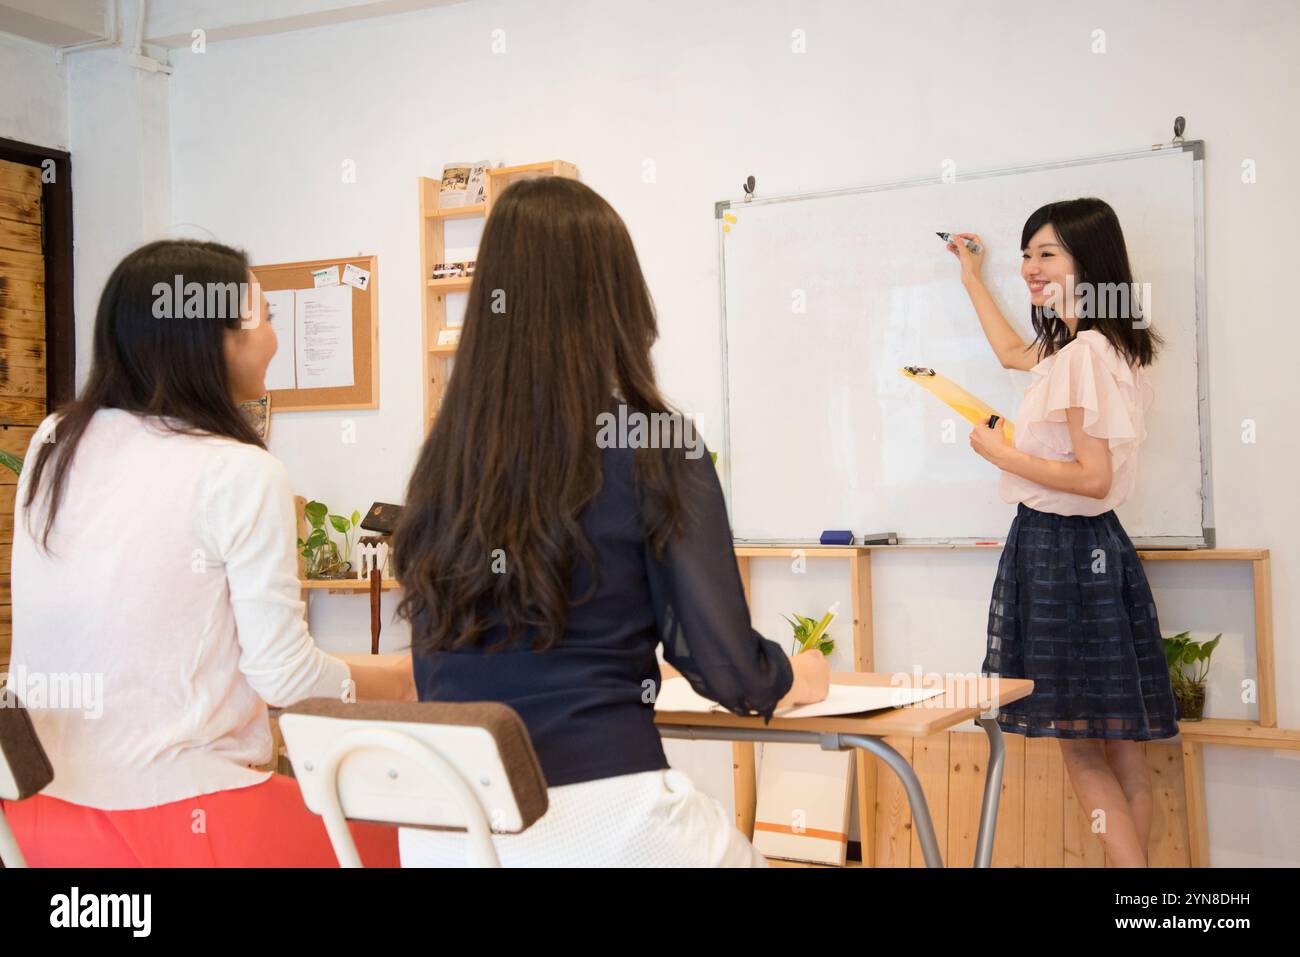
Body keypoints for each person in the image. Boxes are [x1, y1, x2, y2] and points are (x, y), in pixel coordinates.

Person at [393, 176, 830, 867]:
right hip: (603, 822)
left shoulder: (444, 464)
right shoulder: (656, 445)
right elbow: (726, 670)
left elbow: (432, 660)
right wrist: (800, 674)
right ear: (615, 298)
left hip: (446, 832)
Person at [3, 239, 398, 867]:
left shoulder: (55, 444)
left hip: (37, 825)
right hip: (184, 828)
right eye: (265, 317)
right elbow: (286, 679)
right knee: (428, 843)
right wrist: (398, 680)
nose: (274, 338)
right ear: (217, 341)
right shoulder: (239, 471)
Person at [948, 198, 1179, 867]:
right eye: (1026, 253)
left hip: (1060, 551)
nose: (1029, 268)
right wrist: (971, 275)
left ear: (1089, 259)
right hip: (1097, 548)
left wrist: (1001, 453)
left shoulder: (1082, 356)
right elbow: (1013, 351)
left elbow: (1092, 475)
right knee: (1120, 743)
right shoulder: (1097, 347)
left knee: (1081, 741)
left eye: (1047, 253)